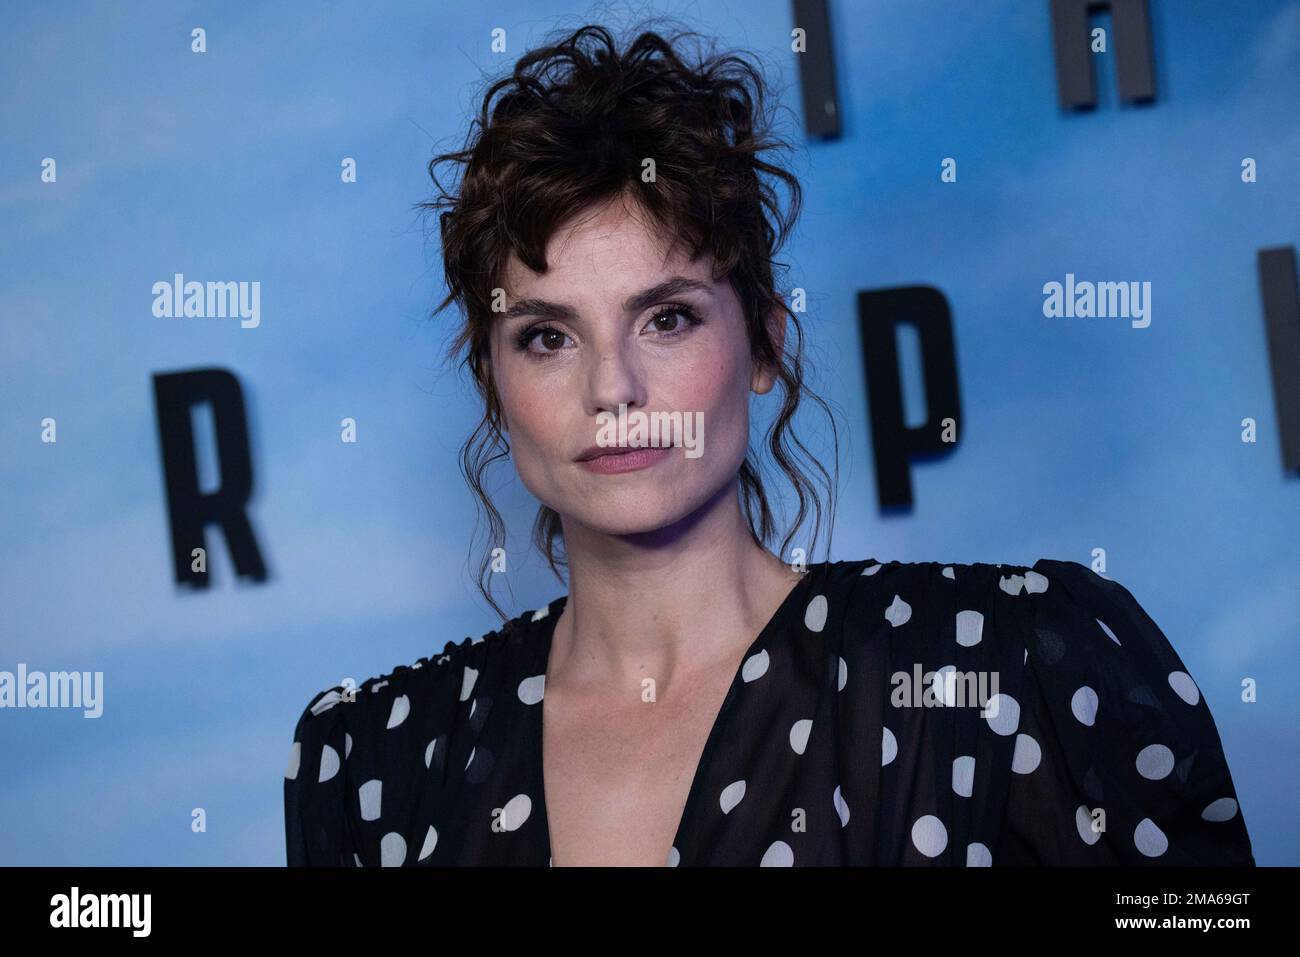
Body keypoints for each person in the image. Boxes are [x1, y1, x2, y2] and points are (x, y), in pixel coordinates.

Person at [283, 22, 1254, 866]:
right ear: (494, 387)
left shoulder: (1019, 676)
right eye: (547, 336)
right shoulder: (374, 765)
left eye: (665, 319)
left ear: (763, 348)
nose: (611, 389)